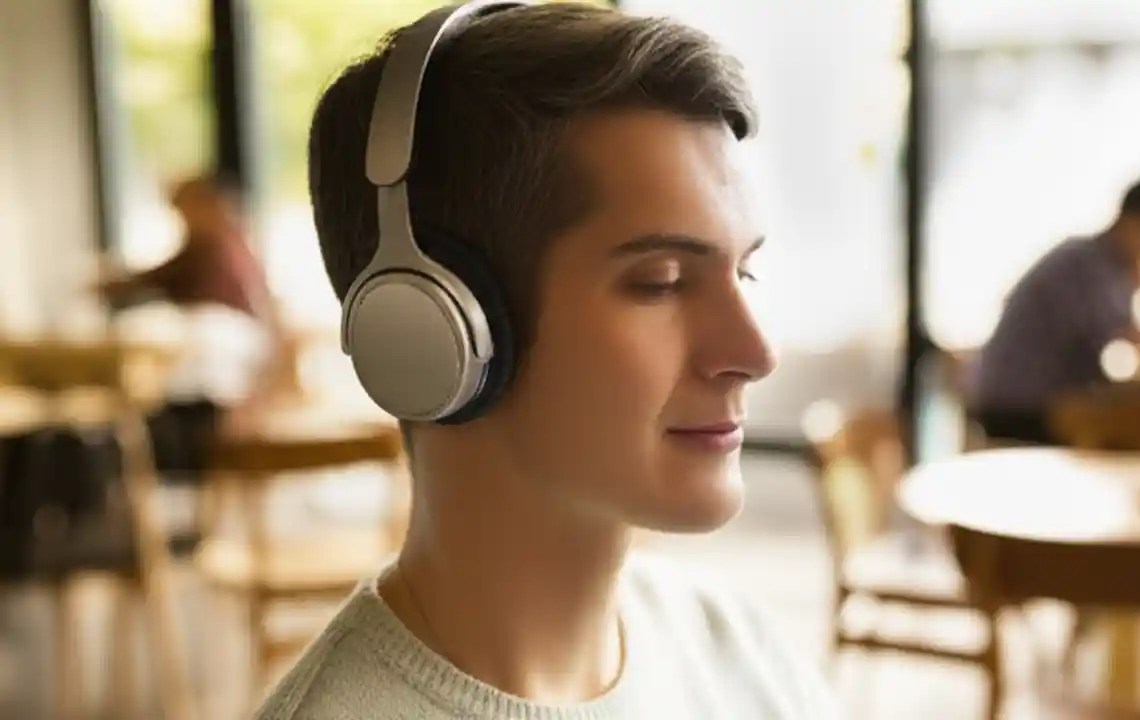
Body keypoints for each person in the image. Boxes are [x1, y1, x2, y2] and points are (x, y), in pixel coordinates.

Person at [256, 2, 839, 719]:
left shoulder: (736, 646)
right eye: (660, 282)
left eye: (742, 273)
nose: (755, 353)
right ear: (435, 332)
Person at [971, 176, 1140, 445]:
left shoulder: (1099, 262)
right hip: (1021, 405)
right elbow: (1115, 339)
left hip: (1033, 399)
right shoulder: (1086, 265)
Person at [97, 176, 287, 472]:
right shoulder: (232, 240)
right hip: (232, 352)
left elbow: (154, 278)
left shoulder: (210, 242)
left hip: (223, 347)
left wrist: (108, 283)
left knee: (157, 373)